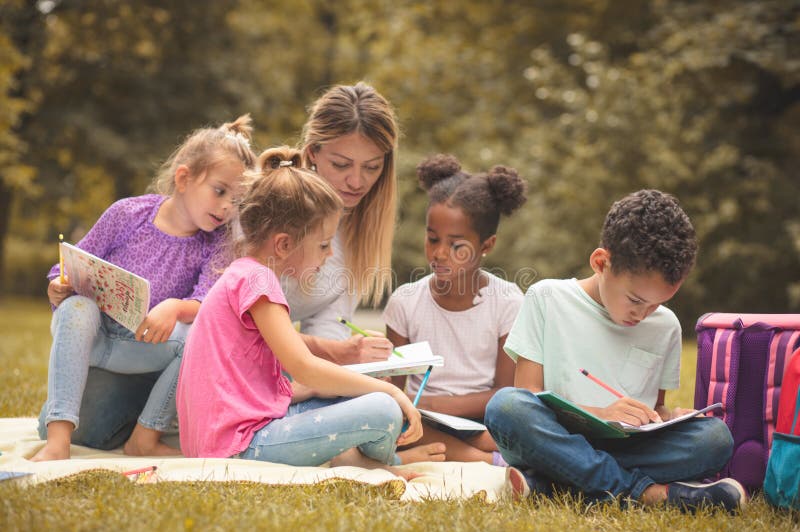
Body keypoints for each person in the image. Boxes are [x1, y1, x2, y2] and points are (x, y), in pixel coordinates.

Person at [484, 189, 747, 512]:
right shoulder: (547, 298)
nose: (643, 314)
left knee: (715, 439)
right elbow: (527, 394)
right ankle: (644, 493)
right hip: (553, 437)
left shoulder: (666, 327)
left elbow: (656, 408)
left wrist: (668, 417)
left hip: (621, 448)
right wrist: (601, 415)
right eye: (636, 301)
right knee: (506, 407)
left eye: (657, 304)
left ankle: (551, 483)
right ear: (600, 262)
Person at [176, 147, 421, 476]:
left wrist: (326, 388)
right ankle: (383, 465)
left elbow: (272, 382)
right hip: (238, 449)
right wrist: (389, 388)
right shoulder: (259, 281)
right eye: (323, 244)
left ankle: (365, 462)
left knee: (350, 395)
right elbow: (303, 367)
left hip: (235, 437)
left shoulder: (246, 273)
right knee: (384, 408)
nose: (329, 253)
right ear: (283, 245)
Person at [32, 115, 255, 461]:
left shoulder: (216, 243)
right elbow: (74, 261)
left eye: (237, 200)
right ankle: (58, 441)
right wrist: (58, 284)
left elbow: (206, 302)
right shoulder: (128, 214)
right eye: (220, 191)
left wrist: (176, 308)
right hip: (91, 335)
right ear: (184, 178)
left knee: (196, 336)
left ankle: (144, 437)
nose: (227, 207)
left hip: (138, 349)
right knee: (79, 307)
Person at [382, 154, 525, 465]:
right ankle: (486, 459)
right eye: (432, 239)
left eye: (457, 245)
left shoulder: (508, 302)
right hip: (422, 422)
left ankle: (468, 451)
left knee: (520, 421)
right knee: (388, 421)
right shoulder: (406, 301)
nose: (439, 254)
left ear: (486, 245)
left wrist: (435, 403)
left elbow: (504, 392)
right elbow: (393, 392)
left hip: (484, 420)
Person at [285, 82, 400, 364]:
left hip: (287, 367)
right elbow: (238, 325)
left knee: (380, 405)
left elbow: (331, 324)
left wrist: (355, 359)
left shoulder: (358, 228)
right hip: (214, 359)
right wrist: (338, 353)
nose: (357, 182)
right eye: (341, 164)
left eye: (372, 167)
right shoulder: (271, 208)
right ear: (312, 151)